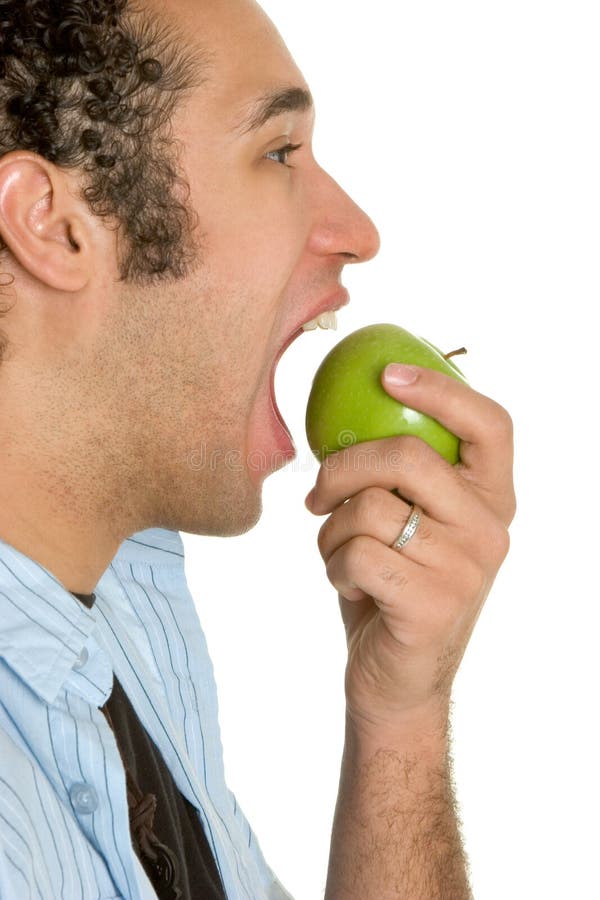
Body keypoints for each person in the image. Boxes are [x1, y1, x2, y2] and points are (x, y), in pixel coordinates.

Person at [0, 0, 515, 897]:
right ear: (54, 222)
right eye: (279, 152)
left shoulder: (124, 598)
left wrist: (402, 713)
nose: (358, 231)